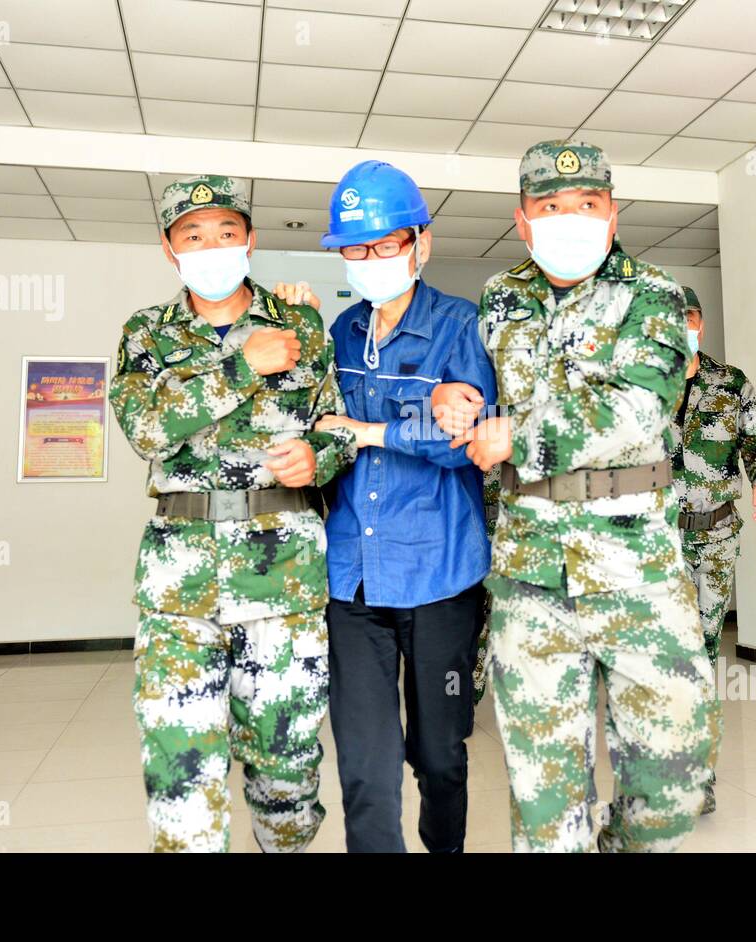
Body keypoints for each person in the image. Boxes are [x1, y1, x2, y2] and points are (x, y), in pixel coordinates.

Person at [431, 140, 716, 851]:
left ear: (612, 214)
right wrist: (448, 396)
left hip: (636, 567)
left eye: (587, 205)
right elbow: (477, 385)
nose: (570, 219)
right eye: (550, 207)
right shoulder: (501, 297)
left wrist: (515, 440)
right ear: (523, 221)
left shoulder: (655, 296)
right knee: (543, 791)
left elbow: (637, 411)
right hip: (530, 573)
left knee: (675, 774)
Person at [110, 175, 357, 853]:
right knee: (180, 763)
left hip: (284, 580)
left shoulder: (301, 325)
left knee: (286, 767)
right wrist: (240, 366)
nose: (211, 246)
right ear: (169, 249)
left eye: (225, 232)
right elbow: (147, 431)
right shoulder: (147, 335)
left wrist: (319, 455)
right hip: (178, 585)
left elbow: (335, 425)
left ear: (249, 240)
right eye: (193, 235)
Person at [292, 161, 498, 854]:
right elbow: (317, 430)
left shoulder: (460, 326)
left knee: (438, 754)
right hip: (352, 575)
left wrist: (376, 429)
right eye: (356, 248)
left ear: (421, 243)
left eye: (387, 245)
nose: (372, 261)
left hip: (441, 572)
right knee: (364, 759)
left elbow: (465, 443)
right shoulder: (342, 334)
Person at [663, 286, 756, 814]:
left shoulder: (730, 384)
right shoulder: (641, 386)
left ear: (701, 323)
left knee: (701, 652)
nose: (683, 326)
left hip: (713, 540)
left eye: (690, 317)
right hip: (656, 543)